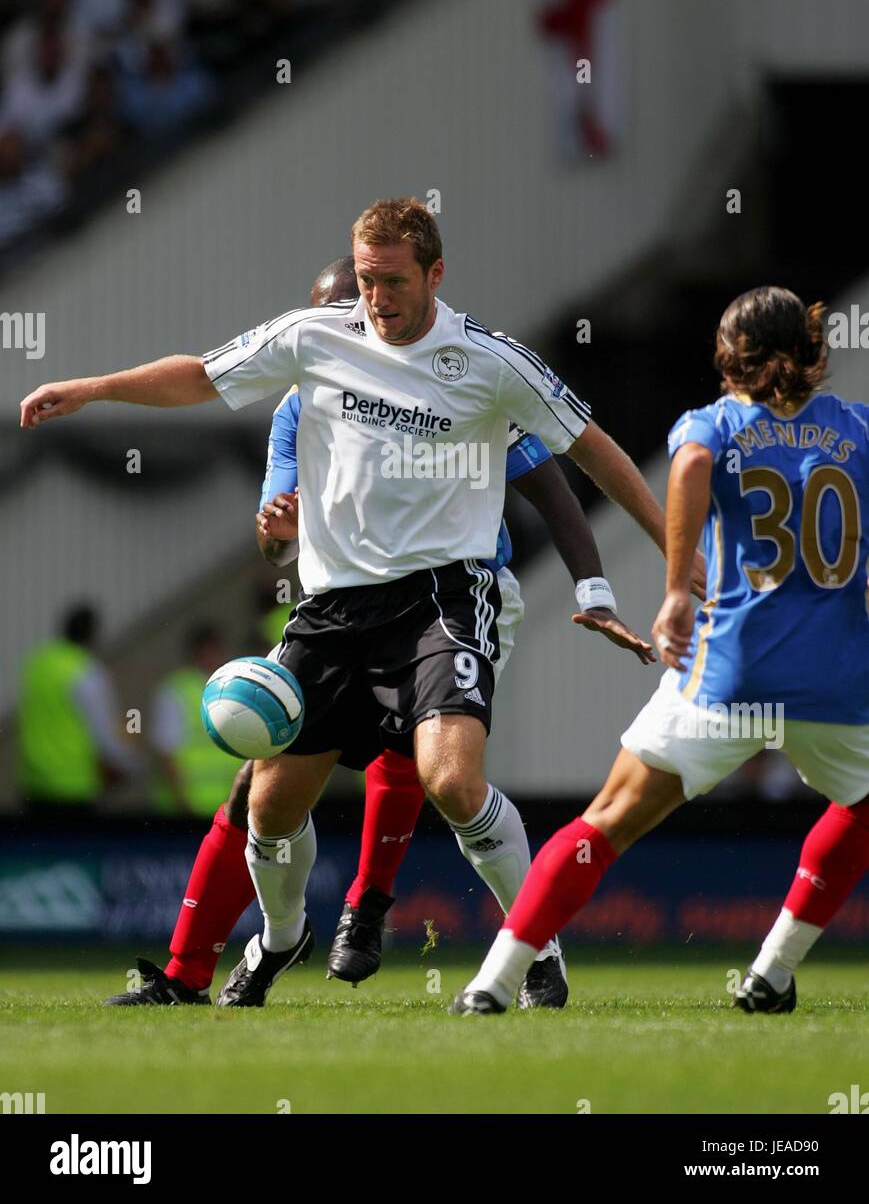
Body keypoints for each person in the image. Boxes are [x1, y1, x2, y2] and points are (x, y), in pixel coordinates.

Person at [21, 197, 701, 1011]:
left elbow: (594, 454)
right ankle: (279, 938)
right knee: (267, 806)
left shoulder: (491, 361)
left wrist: (670, 556)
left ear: (434, 274)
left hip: (445, 595)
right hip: (333, 608)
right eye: (366, 280)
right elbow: (200, 376)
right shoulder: (314, 340)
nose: (375, 298)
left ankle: (536, 950)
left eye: (392, 281)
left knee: (449, 780)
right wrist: (94, 388)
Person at [449, 287, 869, 1014]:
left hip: (727, 676)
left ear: (727, 356)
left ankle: (493, 983)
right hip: (834, 682)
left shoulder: (711, 424)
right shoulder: (859, 431)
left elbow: (691, 464)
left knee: (605, 822)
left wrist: (676, 590)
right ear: (811, 351)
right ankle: (771, 970)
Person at [17, 602, 135, 816]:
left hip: (34, 783)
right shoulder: (87, 672)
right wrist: (131, 764)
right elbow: (105, 734)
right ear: (93, 635)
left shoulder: (39, 664)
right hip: (73, 788)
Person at [149, 623, 240, 817]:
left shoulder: (235, 689)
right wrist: (183, 803)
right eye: (209, 650)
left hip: (227, 809)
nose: (214, 656)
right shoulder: (176, 690)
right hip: (186, 807)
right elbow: (165, 751)